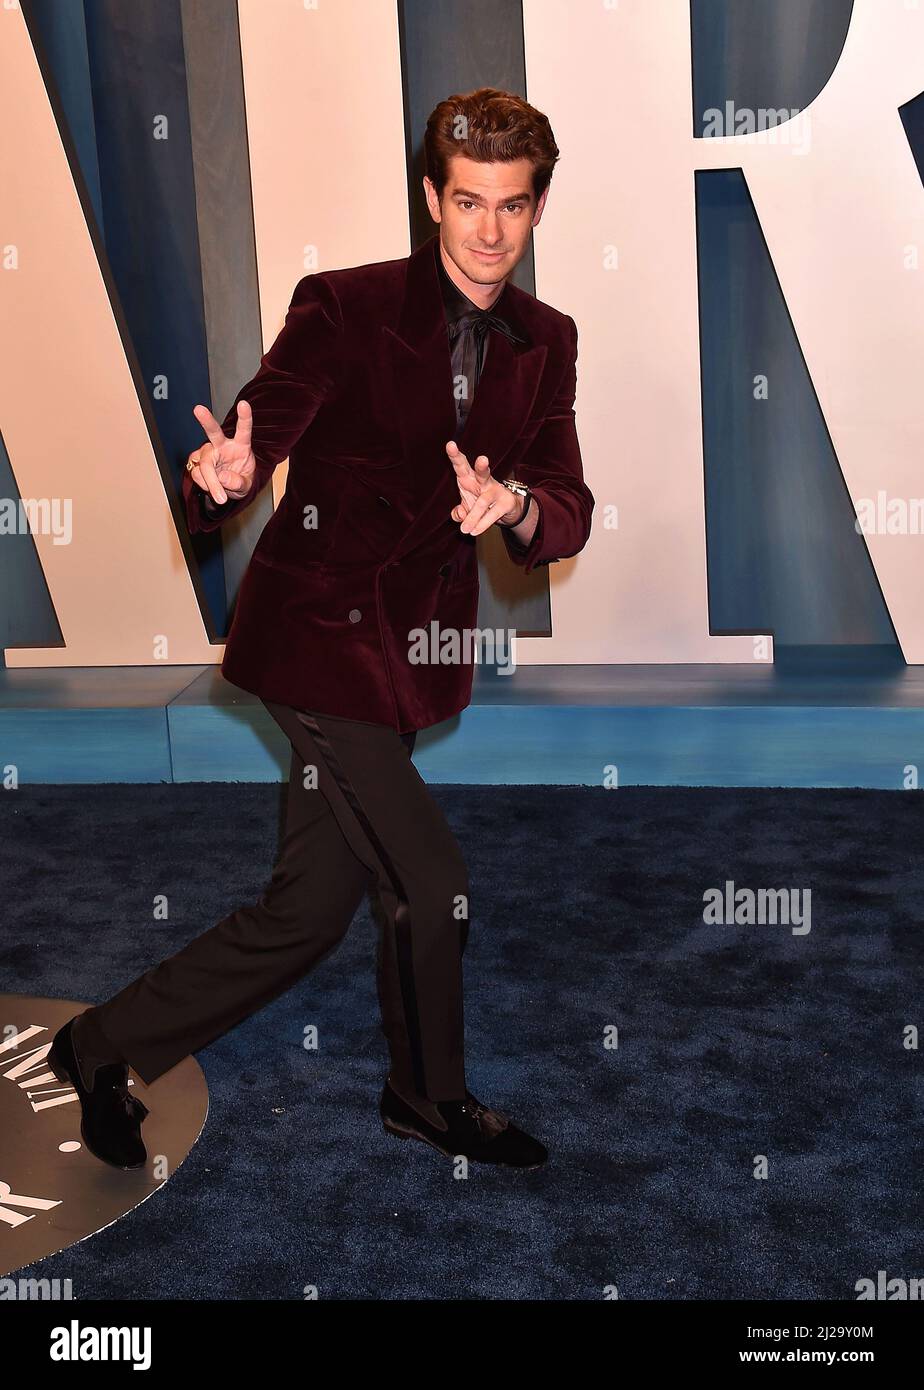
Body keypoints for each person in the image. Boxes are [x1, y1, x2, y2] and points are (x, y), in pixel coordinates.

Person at [48, 87, 594, 1173]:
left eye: (515, 207)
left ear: (537, 209)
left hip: (408, 655)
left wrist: (518, 507)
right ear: (432, 198)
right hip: (313, 635)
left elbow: (566, 499)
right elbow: (261, 423)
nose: (490, 232)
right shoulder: (345, 304)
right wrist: (228, 475)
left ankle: (100, 1044)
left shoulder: (548, 341)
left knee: (306, 913)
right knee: (432, 877)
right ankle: (429, 1098)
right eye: (469, 202)